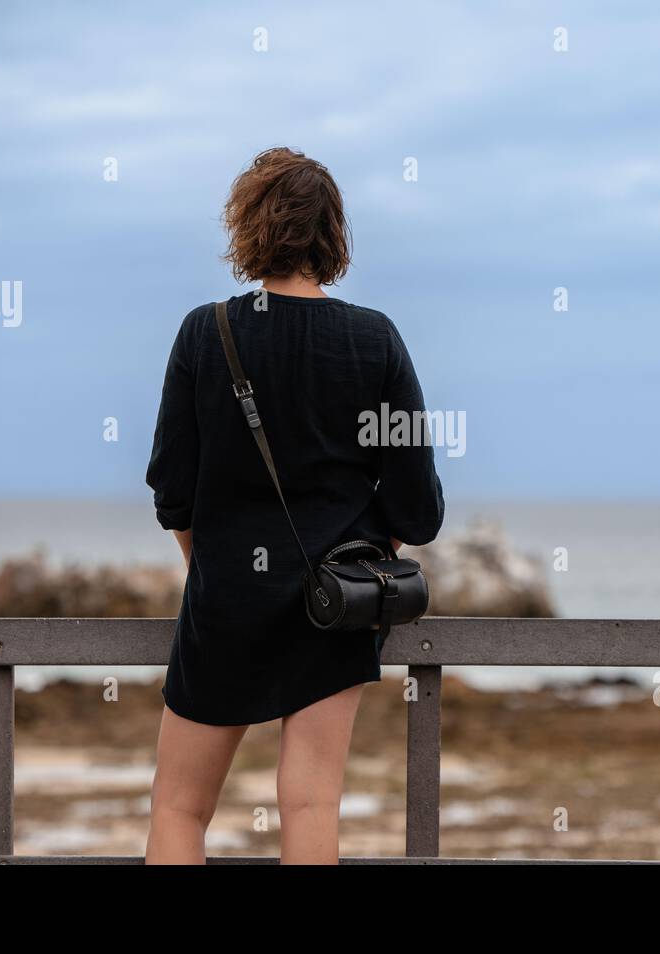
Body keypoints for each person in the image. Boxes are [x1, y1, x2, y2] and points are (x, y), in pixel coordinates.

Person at [143, 146, 445, 864]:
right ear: (332, 236)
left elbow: (171, 492)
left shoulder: (204, 332)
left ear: (247, 228)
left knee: (179, 809)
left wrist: (211, 568)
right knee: (310, 802)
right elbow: (417, 514)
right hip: (333, 607)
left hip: (223, 605)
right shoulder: (375, 340)